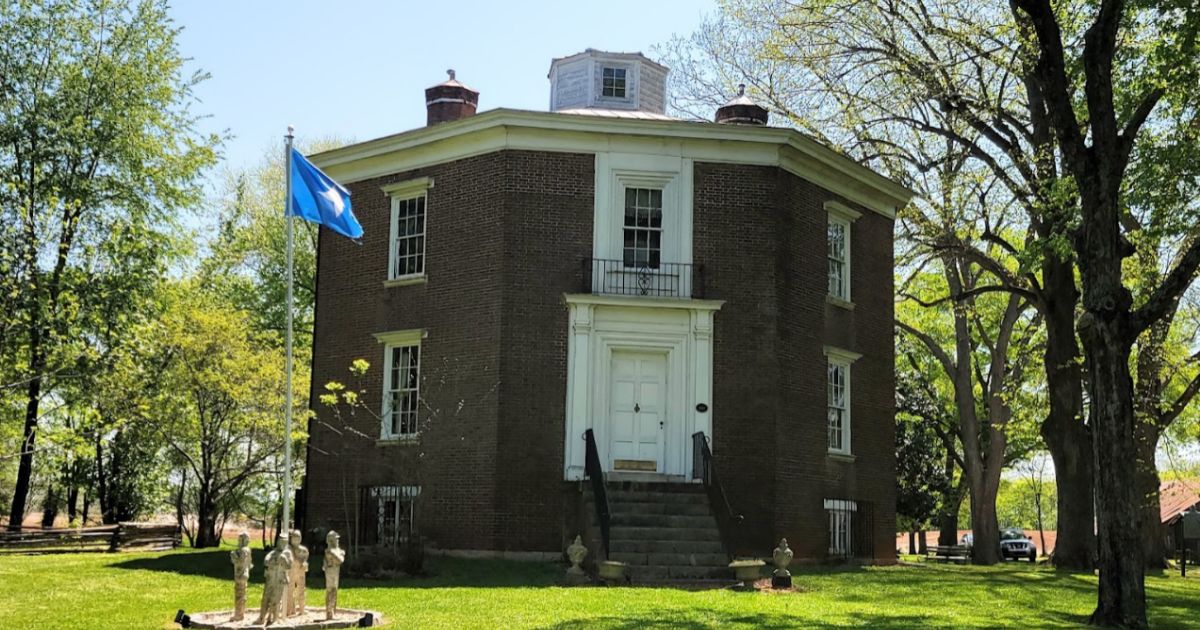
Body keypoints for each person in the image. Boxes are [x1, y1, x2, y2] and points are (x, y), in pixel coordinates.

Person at [255, 533, 293, 625]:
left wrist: (284, 560)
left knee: (276, 599)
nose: (282, 544)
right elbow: (266, 561)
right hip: (271, 578)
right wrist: (273, 561)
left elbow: (289, 566)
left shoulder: (287, 553)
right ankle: (262, 617)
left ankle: (274, 618)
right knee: (266, 598)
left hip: (279, 579)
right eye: (280, 542)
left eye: (284, 543)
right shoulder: (273, 553)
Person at [322, 530, 346, 620]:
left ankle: (333, 610)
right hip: (330, 572)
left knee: (335, 590)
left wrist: (334, 554)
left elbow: (340, 560)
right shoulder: (328, 551)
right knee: (330, 590)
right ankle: (329, 612)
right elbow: (325, 564)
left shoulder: (338, 551)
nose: (337, 541)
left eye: (337, 539)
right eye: (335, 539)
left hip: (336, 571)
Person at [229, 532, 253, 621]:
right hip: (243, 573)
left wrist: (233, 556)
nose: (238, 541)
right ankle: (240, 613)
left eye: (239, 540)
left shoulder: (244, 550)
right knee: (241, 593)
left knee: (239, 594)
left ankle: (239, 614)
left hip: (240, 574)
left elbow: (240, 562)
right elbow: (250, 563)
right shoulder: (247, 550)